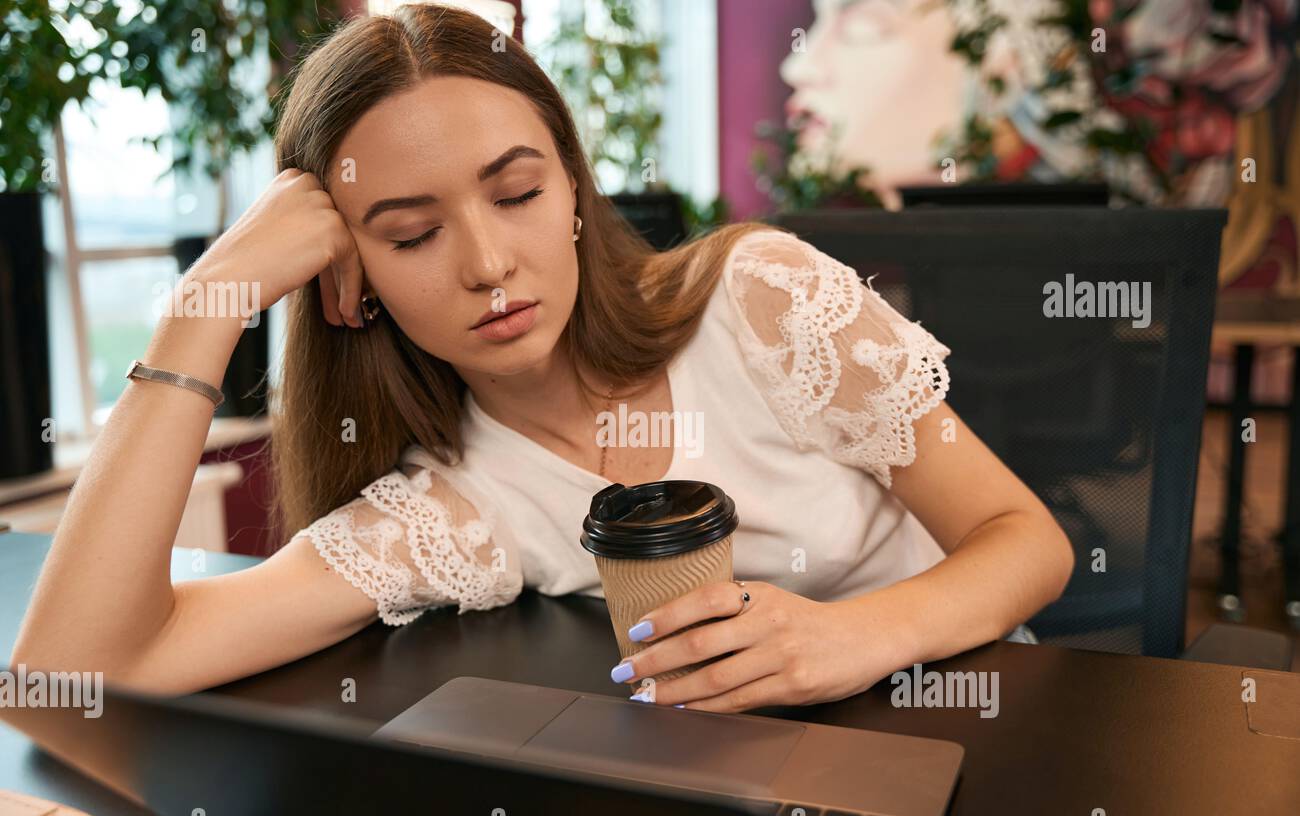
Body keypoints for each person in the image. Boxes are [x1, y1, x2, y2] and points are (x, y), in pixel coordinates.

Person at [11, 4, 1073, 712]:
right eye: (410, 233)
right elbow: (70, 670)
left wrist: (851, 637)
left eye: (516, 194)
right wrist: (207, 302)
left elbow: (1025, 538)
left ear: (571, 189)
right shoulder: (452, 504)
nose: (486, 263)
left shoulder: (760, 300)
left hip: (968, 726)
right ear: (352, 278)